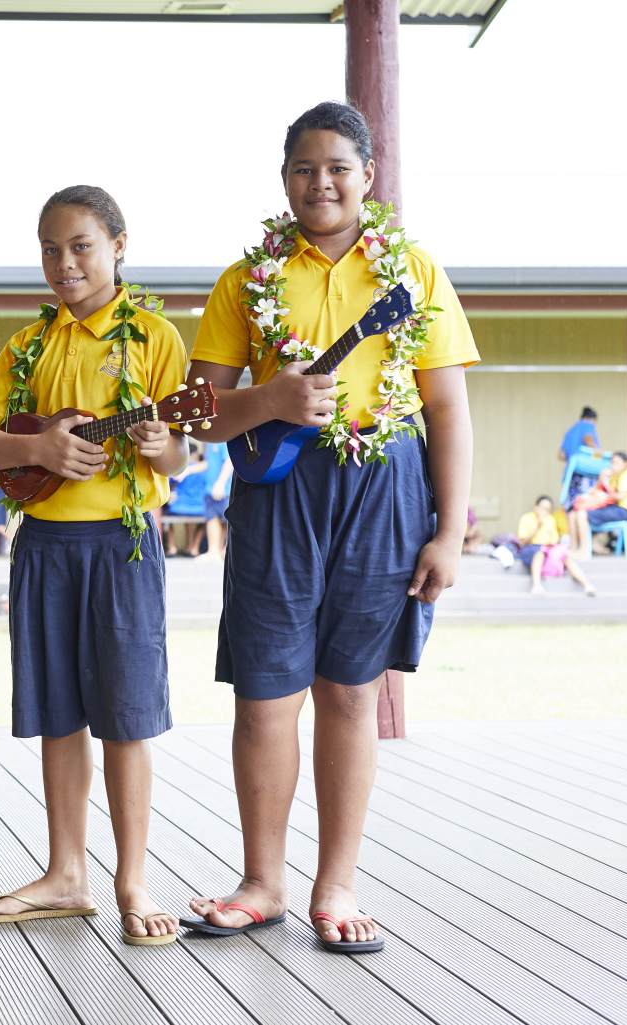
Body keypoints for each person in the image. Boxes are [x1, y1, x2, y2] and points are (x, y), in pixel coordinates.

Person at [179, 103, 477, 954]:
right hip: (279, 491)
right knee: (266, 692)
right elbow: (203, 412)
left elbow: (448, 410)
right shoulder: (248, 278)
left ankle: (336, 883)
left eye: (338, 167)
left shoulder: (411, 271)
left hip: (384, 490)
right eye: (305, 169)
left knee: (351, 691)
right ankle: (260, 881)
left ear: (367, 176)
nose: (322, 183)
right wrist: (270, 400)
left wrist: (449, 532)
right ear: (284, 181)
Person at [0, 184, 188, 946]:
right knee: (59, 713)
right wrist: (35, 448)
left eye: (81, 245)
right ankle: (64, 871)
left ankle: (131, 876)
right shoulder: (26, 348)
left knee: (124, 716)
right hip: (44, 546)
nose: (64, 262)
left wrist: (165, 445)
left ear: (119, 243)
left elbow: (184, 443)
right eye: (50, 248)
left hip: (121, 546)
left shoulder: (153, 336)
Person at [515, 496, 595, 596]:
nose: (544, 511)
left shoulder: (550, 519)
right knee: (539, 553)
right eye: (542, 508)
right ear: (536, 507)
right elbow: (522, 542)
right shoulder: (527, 518)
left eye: (547, 509)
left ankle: (587, 585)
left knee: (566, 558)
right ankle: (536, 585)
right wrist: (537, 526)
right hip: (531, 547)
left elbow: (555, 540)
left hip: (547, 548)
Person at [570, 451, 627, 556]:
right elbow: (600, 490)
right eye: (612, 463)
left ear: (626, 463)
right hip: (611, 508)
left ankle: (584, 550)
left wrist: (604, 492)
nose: (613, 466)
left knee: (581, 514)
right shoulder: (615, 476)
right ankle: (574, 547)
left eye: (616, 463)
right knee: (573, 514)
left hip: (621, 511)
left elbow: (619, 496)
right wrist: (602, 479)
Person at [557, 406, 603, 509]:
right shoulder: (588, 425)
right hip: (584, 472)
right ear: (592, 419)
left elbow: (561, 455)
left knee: (573, 505)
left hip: (572, 472)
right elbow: (589, 440)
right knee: (585, 505)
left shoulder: (570, 431)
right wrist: (600, 454)